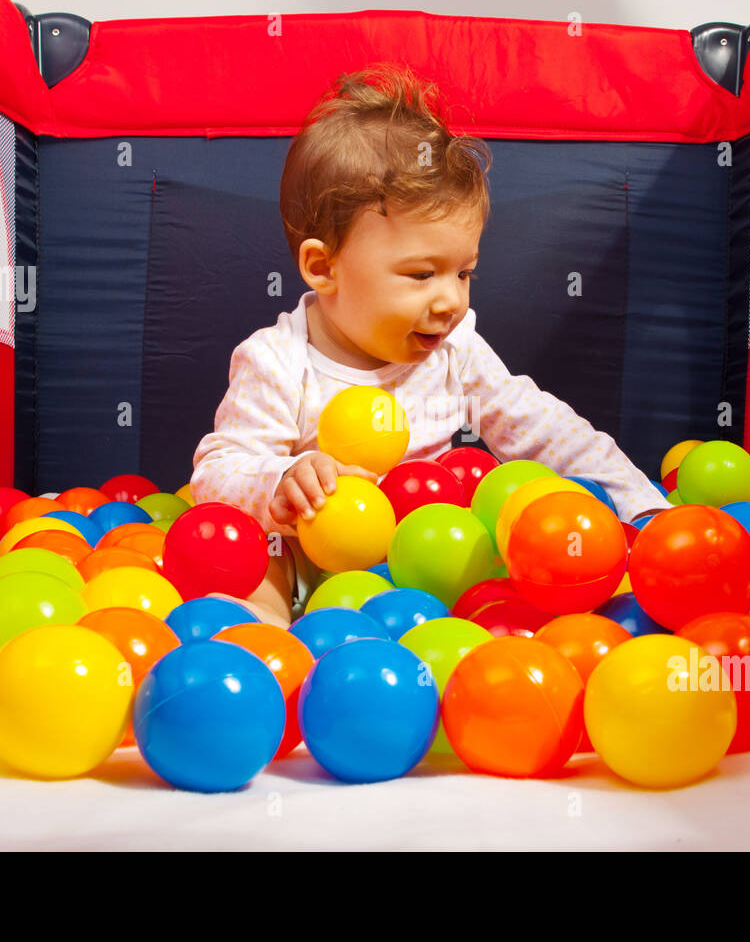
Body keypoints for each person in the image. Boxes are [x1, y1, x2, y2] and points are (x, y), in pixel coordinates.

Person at [191, 63, 670, 628]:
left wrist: (645, 510)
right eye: (421, 275)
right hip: (312, 563)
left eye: (463, 273)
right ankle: (268, 636)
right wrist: (281, 482)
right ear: (323, 267)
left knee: (513, 536)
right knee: (259, 554)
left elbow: (545, 429)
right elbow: (217, 471)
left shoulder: (454, 349)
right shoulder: (277, 359)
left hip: (432, 563)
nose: (449, 301)